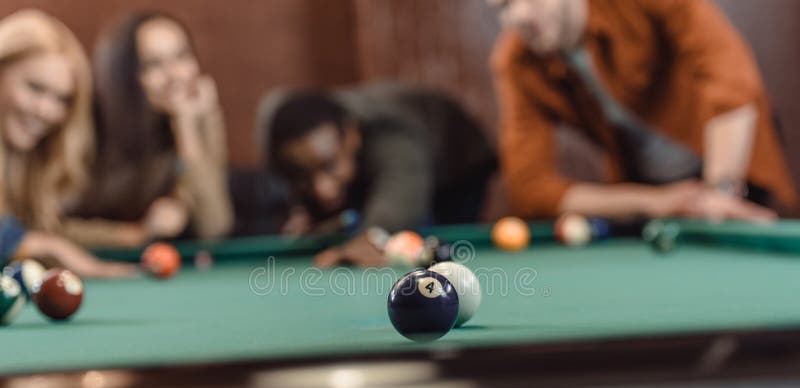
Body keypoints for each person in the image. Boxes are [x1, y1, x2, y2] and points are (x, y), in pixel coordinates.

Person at [488, 0, 797, 222]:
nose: (519, 15)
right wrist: (657, 203)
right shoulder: (515, 62)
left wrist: (720, 192)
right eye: (502, 7)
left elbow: (731, 79)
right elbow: (530, 188)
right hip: (653, 189)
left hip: (733, 170)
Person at [259, 82, 497, 267]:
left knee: (439, 252)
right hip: (388, 165)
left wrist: (374, 236)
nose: (323, 190)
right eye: (304, 176)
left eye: (330, 166)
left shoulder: (387, 131)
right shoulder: (282, 143)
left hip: (458, 163)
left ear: (352, 137)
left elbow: (401, 185)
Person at [64, 11, 233, 248]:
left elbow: (214, 226)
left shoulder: (198, 115)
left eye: (182, 56)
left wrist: (186, 127)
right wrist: (133, 234)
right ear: (122, 77)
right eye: (153, 65)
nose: (175, 75)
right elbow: (46, 226)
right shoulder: (86, 123)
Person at [0, 10, 134, 277]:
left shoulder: (22, 165)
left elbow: (47, 228)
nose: (46, 111)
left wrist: (128, 236)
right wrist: (38, 245)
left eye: (62, 99)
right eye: (35, 88)